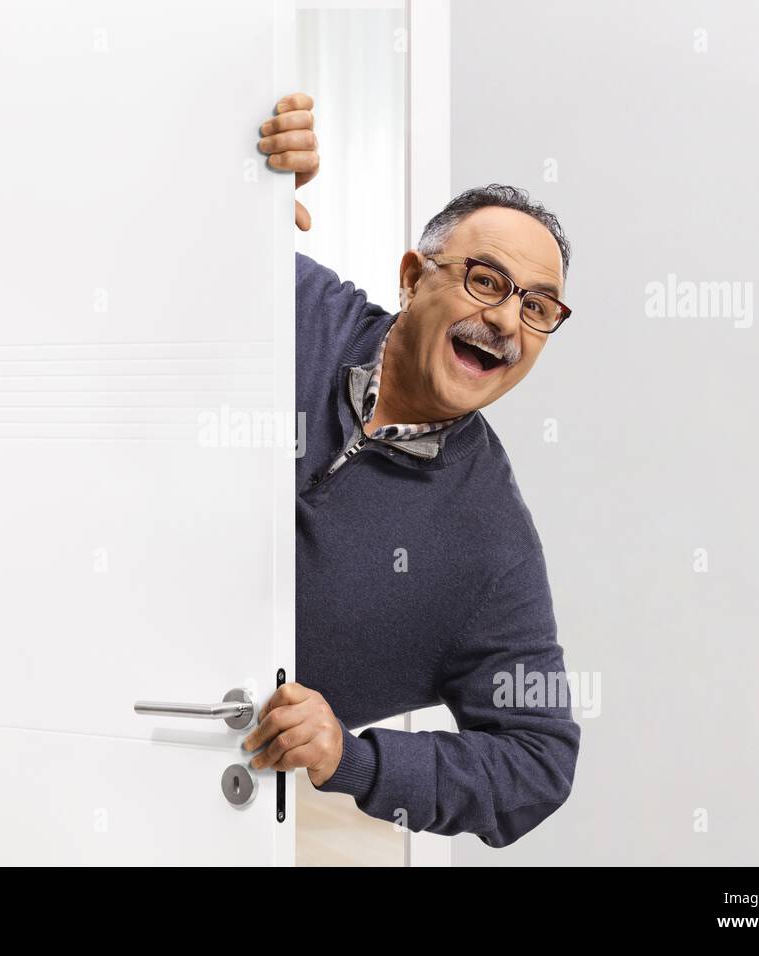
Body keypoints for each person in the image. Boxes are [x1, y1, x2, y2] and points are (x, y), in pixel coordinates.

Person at [244, 93, 580, 846]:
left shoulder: (489, 544)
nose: (503, 321)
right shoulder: (289, 307)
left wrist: (353, 759)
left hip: (200, 788)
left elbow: (538, 761)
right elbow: (132, 257)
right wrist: (244, 192)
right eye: (486, 281)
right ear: (411, 277)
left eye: (538, 309)